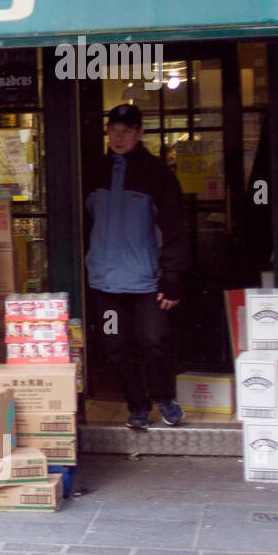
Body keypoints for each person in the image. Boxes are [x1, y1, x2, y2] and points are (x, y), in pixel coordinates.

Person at [85, 103, 189, 430]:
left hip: (146, 283)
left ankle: (165, 398)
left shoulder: (157, 174)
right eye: (114, 130)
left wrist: (172, 280)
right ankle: (137, 407)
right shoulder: (93, 172)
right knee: (116, 348)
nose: (119, 137)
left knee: (154, 342)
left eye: (126, 131)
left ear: (139, 133)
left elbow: (174, 229)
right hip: (106, 284)